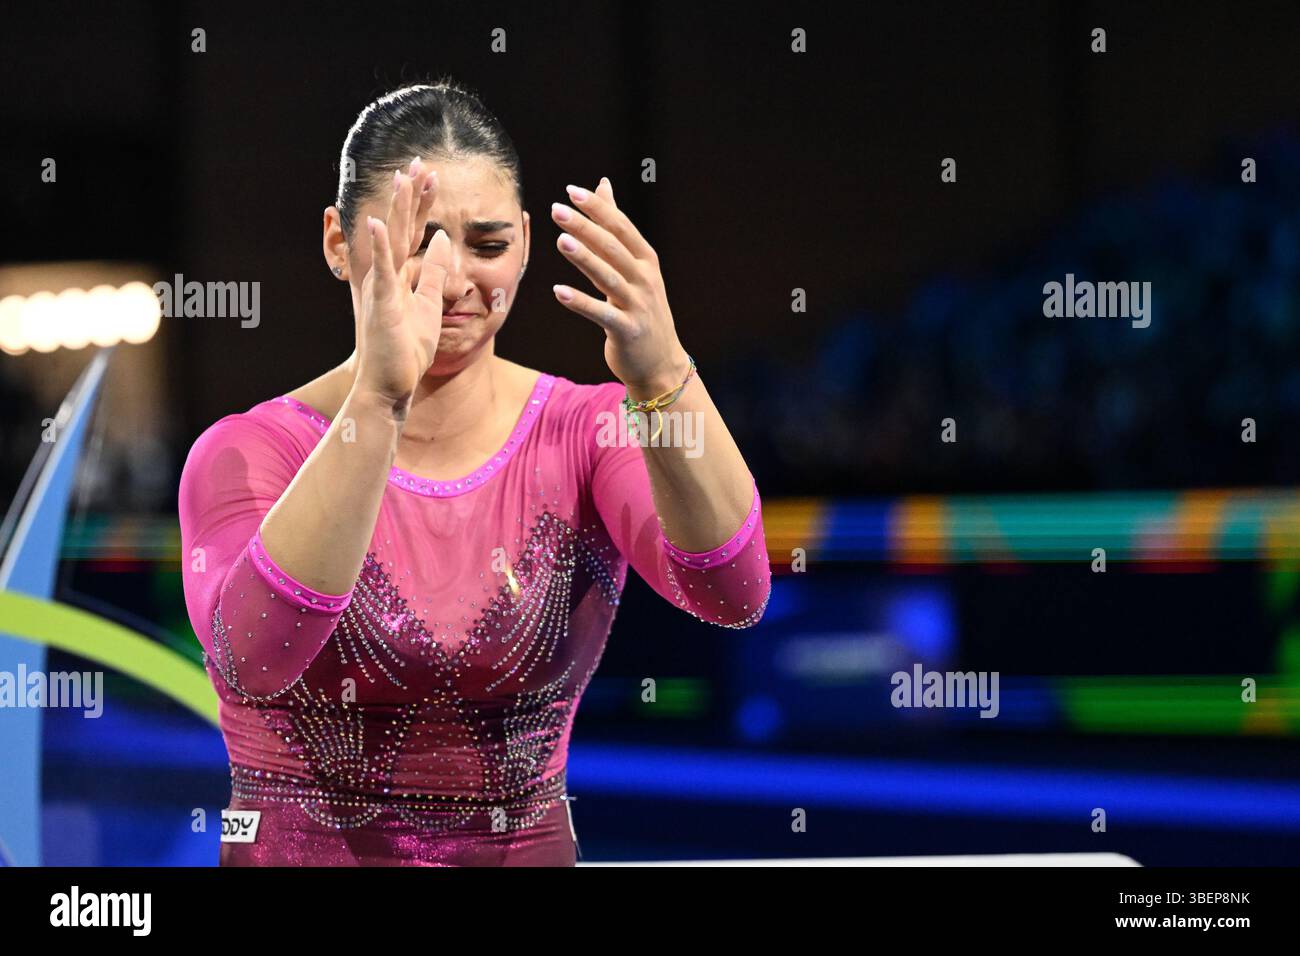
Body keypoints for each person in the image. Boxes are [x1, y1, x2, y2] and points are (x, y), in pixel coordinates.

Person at [178, 79, 770, 866]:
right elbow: (254, 658)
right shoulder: (246, 451)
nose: (453, 283)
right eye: (418, 244)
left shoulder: (589, 432)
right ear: (336, 241)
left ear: (526, 242)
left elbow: (733, 594)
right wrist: (380, 399)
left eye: (487, 246)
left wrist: (665, 373)